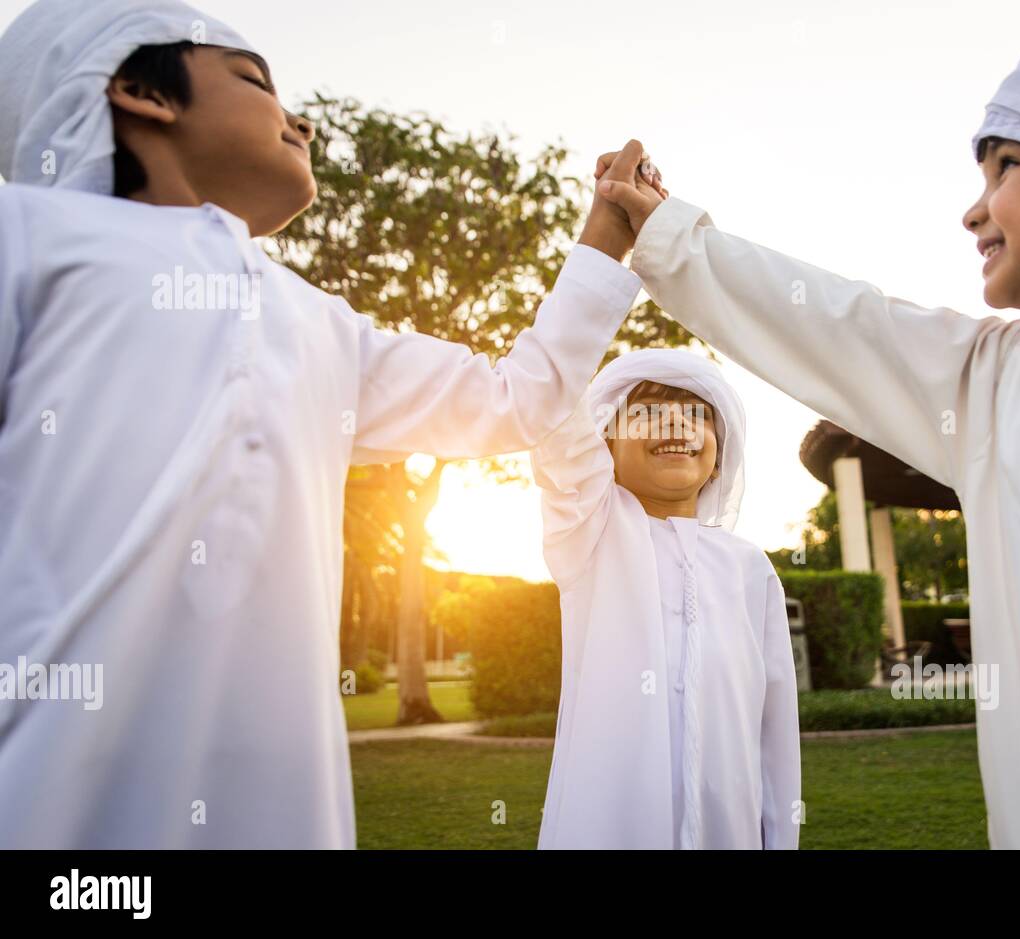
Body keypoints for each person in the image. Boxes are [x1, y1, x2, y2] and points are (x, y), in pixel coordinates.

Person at [596, 8, 1020, 848]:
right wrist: (668, 234)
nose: (975, 211)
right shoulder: (998, 376)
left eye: (1007, 165)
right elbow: (843, 325)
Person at [0, 0, 661, 847]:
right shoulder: (31, 240)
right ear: (139, 90)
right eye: (254, 81)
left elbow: (518, 398)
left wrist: (604, 235)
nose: (301, 119)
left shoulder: (323, 328)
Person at [530, 349, 801, 849]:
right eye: (648, 411)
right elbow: (555, 423)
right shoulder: (589, 534)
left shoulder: (749, 568)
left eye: (698, 413)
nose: (676, 421)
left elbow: (775, 727)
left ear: (720, 454)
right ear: (604, 445)